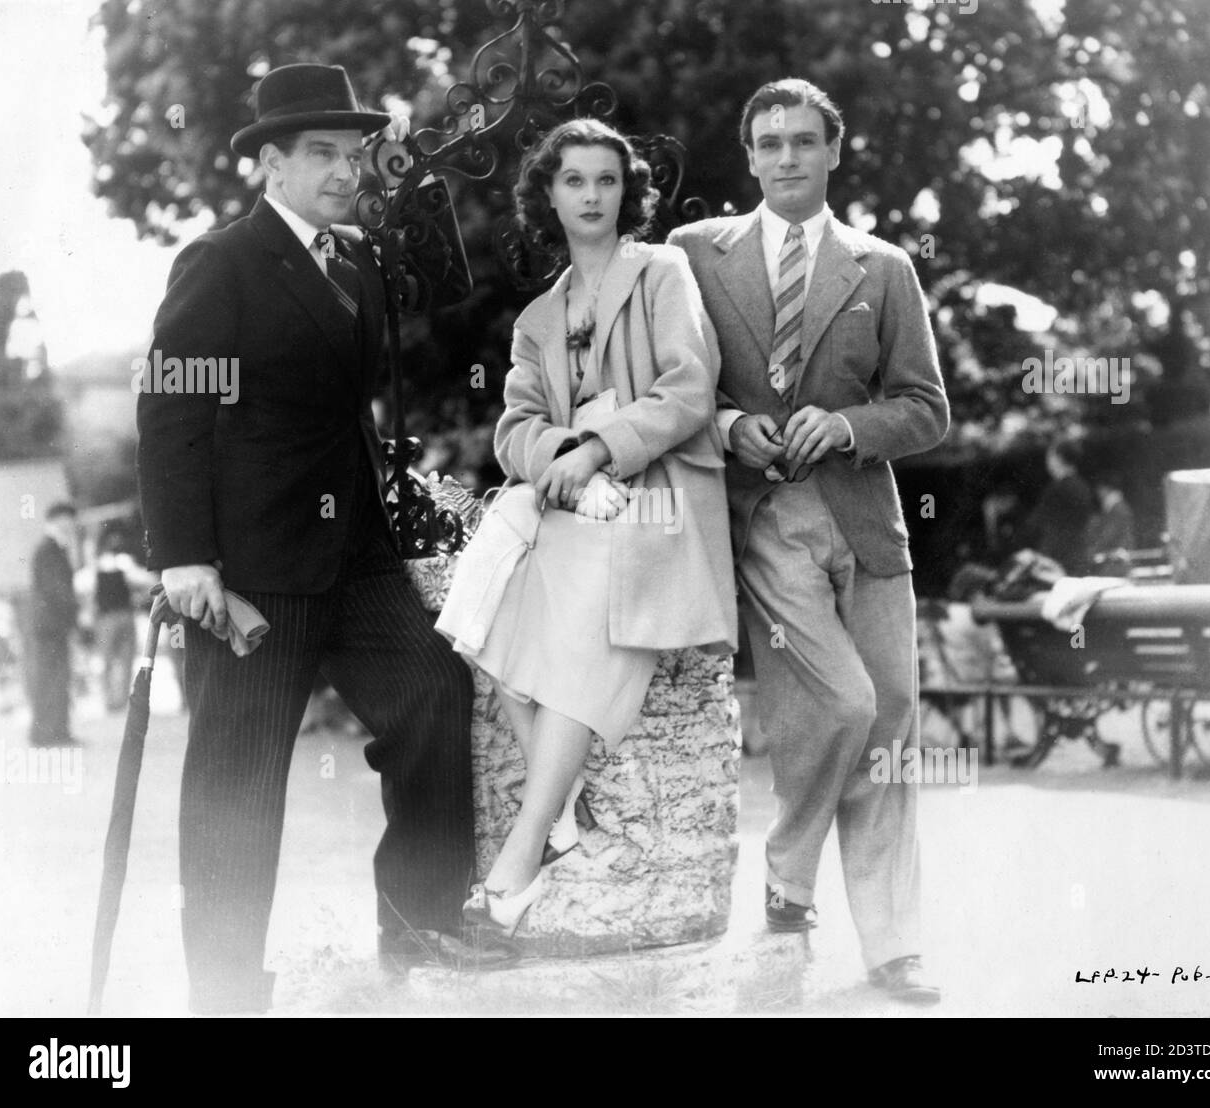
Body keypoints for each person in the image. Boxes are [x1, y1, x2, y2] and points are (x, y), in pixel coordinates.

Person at [136, 63, 488, 1013]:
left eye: (354, 152)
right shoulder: (223, 263)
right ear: (270, 165)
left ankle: (418, 935)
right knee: (237, 782)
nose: (345, 169)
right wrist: (184, 557)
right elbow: (172, 412)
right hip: (252, 569)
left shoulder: (362, 262)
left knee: (433, 698)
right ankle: (223, 990)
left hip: (359, 559)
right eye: (323, 153)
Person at [668, 79, 949, 1003]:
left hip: (866, 525)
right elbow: (668, 386)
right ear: (748, 158)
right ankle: (791, 870)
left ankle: (893, 943)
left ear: (834, 151)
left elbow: (927, 409)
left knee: (889, 722)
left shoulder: (884, 268)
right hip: (765, 522)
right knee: (840, 706)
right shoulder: (694, 256)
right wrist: (726, 426)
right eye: (769, 142)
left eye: (803, 141)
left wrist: (852, 426)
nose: (786, 157)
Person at [436, 118, 738, 939]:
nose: (593, 195)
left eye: (608, 180)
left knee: (574, 620)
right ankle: (564, 819)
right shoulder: (538, 317)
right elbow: (514, 428)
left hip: (658, 496)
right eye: (574, 181)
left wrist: (603, 444)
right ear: (549, 197)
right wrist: (564, 457)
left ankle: (520, 860)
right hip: (570, 497)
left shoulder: (662, 271)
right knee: (484, 613)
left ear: (627, 192)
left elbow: (689, 390)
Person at [27, 501, 79, 747]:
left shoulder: (53, 548)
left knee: (56, 678)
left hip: (52, 624)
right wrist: (75, 615)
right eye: (67, 518)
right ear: (56, 520)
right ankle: (46, 733)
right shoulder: (49, 550)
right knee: (50, 678)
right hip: (50, 625)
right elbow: (56, 590)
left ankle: (55, 731)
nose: (71, 524)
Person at [91, 529, 150, 711]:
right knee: (124, 660)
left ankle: (110, 701)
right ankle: (120, 701)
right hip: (123, 614)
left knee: (108, 660)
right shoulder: (125, 563)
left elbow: (83, 587)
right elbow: (147, 580)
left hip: (106, 617)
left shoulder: (95, 566)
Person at [1016, 439, 1093, 575]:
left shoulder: (1056, 489)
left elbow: (1038, 524)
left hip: (1057, 560)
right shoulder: (1083, 487)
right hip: (1080, 555)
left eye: (1049, 456)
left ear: (1058, 458)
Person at [1084, 470, 1136, 571]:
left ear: (1104, 488)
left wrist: (1092, 551)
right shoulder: (1115, 507)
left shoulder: (1118, 508)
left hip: (1117, 562)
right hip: (1114, 559)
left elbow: (1109, 535)